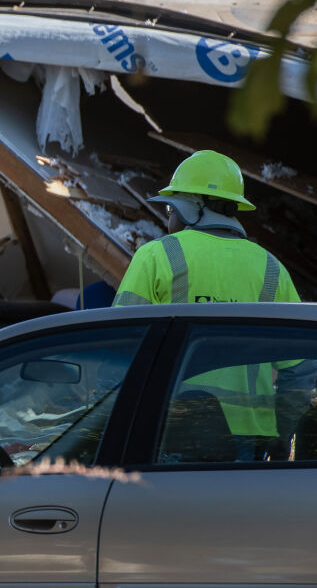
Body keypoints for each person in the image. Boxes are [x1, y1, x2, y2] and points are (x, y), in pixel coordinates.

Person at [114, 150, 307, 451]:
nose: (169, 216)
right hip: (252, 440)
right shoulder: (272, 268)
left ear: (192, 208)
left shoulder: (155, 256)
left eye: (170, 207)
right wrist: (282, 435)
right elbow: (299, 368)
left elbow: (120, 348)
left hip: (170, 431)